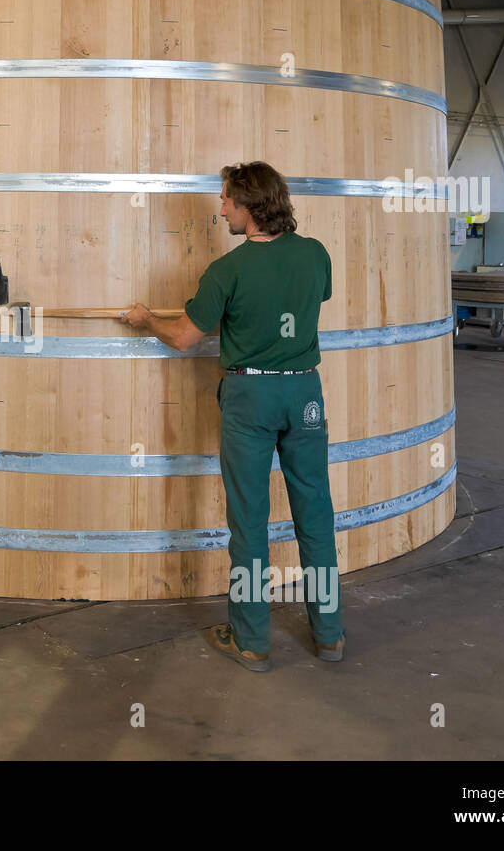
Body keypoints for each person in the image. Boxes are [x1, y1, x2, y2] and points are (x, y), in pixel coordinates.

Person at [119, 161, 345, 673]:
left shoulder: (228, 270)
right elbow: (312, 298)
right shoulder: (315, 254)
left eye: (226, 201)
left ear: (248, 206)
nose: (221, 210)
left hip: (251, 397)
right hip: (305, 393)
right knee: (316, 515)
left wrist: (146, 318)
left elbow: (183, 337)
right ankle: (330, 634)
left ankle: (251, 641)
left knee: (248, 523)